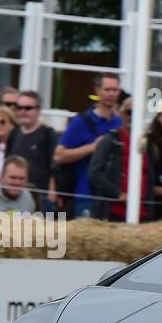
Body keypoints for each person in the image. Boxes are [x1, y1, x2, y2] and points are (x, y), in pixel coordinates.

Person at [53, 73, 122, 217]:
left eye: (114, 90)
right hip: (85, 194)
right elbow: (58, 156)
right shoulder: (81, 121)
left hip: (113, 195)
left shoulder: (120, 123)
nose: (111, 94)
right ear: (97, 90)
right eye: (107, 89)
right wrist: (93, 148)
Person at [5, 90, 58, 210]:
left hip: (40, 198)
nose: (23, 112)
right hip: (14, 197)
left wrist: (52, 194)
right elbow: (7, 163)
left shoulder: (48, 134)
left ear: (38, 110)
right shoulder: (14, 133)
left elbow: (54, 168)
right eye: (19, 108)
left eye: (28, 108)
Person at [88, 95, 135, 221]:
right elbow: (94, 173)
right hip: (114, 210)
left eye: (138, 113)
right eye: (129, 112)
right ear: (121, 113)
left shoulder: (147, 144)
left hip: (141, 211)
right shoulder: (110, 140)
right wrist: (117, 193)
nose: (133, 117)